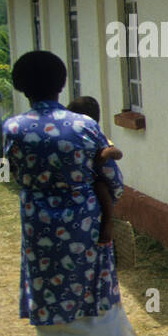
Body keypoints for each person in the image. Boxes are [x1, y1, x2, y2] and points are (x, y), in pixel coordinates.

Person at [1, 51, 138, 336]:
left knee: (53, 304)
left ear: (21, 86)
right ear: (62, 83)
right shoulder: (83, 126)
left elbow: (17, 173)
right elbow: (111, 181)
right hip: (89, 228)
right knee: (95, 302)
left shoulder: (13, 128)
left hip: (39, 228)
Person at [67, 96, 124, 246]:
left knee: (101, 188)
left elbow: (116, 153)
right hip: (84, 180)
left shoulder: (96, 136)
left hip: (98, 179)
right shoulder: (74, 136)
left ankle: (107, 222)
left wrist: (105, 154)